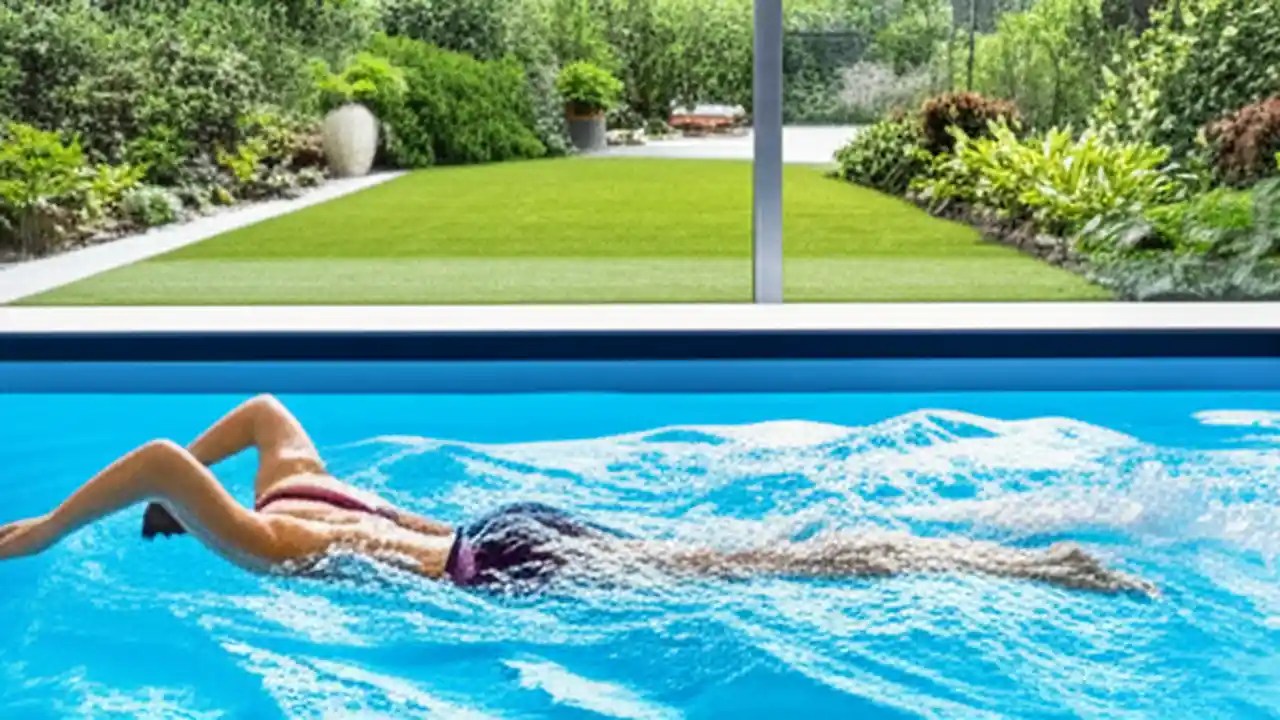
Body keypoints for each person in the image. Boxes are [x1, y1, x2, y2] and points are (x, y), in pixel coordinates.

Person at [0, 395, 1156, 596]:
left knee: (768, 566)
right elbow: (247, 412)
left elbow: (159, 460)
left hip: (501, 571)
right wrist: (169, 493)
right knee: (753, 544)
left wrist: (48, 532)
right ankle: (992, 531)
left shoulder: (263, 541)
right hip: (502, 524)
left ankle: (1033, 565)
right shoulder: (291, 479)